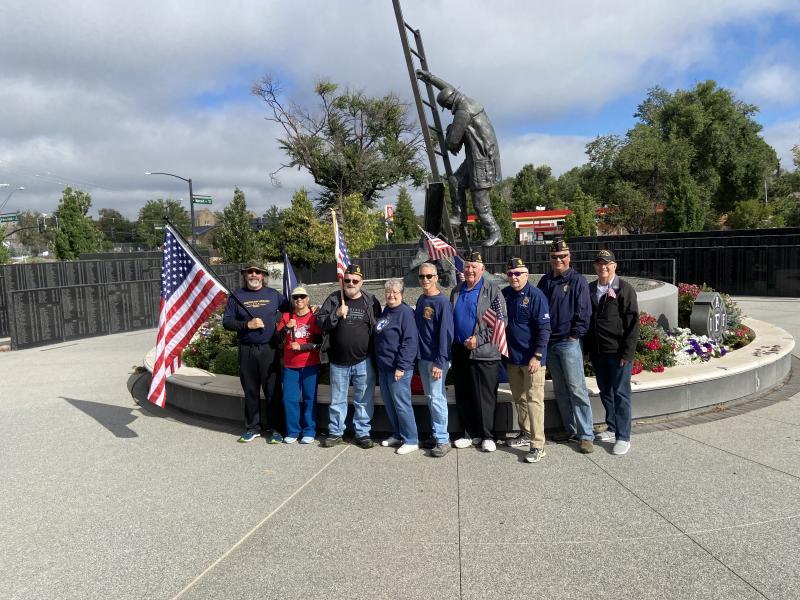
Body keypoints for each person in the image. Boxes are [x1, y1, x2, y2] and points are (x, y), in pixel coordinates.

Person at [416, 70, 503, 245]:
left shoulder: (462, 113)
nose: (449, 111)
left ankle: (495, 232)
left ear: (450, 104)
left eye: (448, 107)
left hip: (482, 163)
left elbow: (453, 142)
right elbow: (449, 89)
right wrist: (430, 78)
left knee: (480, 204)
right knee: (455, 181)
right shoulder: (468, 102)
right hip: (476, 158)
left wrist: (449, 130)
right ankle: (459, 215)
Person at [537, 240, 594, 454]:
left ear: (569, 257)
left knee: (577, 389)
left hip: (568, 342)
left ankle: (586, 435)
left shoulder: (578, 280)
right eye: (554, 257)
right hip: (550, 343)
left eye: (562, 256)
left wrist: (573, 336)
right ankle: (570, 429)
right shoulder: (545, 281)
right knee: (561, 390)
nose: (558, 260)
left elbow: (584, 312)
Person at [316, 264, 382, 449]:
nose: (351, 283)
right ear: (342, 281)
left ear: (361, 282)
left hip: (364, 360)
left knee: (364, 399)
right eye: (347, 280)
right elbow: (320, 322)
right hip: (338, 361)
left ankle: (362, 432)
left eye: (355, 280)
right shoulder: (334, 298)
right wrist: (336, 314)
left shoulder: (371, 300)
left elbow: (379, 325)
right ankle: (336, 432)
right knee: (337, 400)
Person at [222, 261, 287, 443]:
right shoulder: (236, 296)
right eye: (250, 272)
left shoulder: (273, 295)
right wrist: (246, 325)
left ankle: (276, 429)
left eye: (257, 272)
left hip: (269, 349)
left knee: (273, 391)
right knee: (250, 390)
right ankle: (253, 428)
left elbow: (290, 309)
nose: (253, 275)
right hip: (247, 350)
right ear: (245, 275)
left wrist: (309, 310)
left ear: (263, 276)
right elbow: (227, 322)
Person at [450, 252, 506, 452]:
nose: (470, 270)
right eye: (467, 266)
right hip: (460, 351)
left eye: (474, 267)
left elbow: (501, 321)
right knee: (464, 393)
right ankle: (470, 433)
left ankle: (488, 435)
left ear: (482, 269)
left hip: (484, 352)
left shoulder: (493, 291)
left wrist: (478, 339)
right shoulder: (456, 290)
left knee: (485, 396)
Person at [586, 249, 639, 456]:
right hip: (598, 352)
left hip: (618, 353)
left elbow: (633, 324)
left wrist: (627, 353)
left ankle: (623, 437)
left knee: (621, 394)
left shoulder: (624, 288)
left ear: (614, 266)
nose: (603, 267)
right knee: (606, 391)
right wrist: (588, 349)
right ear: (595, 266)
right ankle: (612, 426)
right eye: (599, 263)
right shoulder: (590, 288)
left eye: (607, 263)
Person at [501, 257, 551, 463]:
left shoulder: (536, 296)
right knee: (520, 399)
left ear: (526, 275)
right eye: (510, 273)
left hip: (532, 360)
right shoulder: (504, 295)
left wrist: (537, 356)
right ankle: (525, 432)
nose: (514, 277)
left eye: (518, 273)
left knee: (534, 401)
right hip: (513, 358)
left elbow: (544, 329)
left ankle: (538, 445)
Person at [373, 279, 420, 455]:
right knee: (390, 404)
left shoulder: (405, 313)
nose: (391, 295)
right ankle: (398, 434)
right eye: (388, 292)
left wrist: (401, 366)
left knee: (402, 404)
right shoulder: (387, 310)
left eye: (395, 292)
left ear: (401, 294)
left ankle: (411, 439)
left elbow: (410, 342)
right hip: (384, 368)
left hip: (398, 369)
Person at [415, 263, 454, 458]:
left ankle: (443, 439)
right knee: (431, 397)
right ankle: (436, 434)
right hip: (423, 358)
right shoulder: (422, 299)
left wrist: (440, 361)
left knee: (437, 398)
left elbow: (446, 334)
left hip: (436, 360)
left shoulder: (442, 302)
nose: (425, 280)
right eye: (422, 276)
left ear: (436, 278)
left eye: (429, 276)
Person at [277, 285, 322, 445]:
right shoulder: (286, 316)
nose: (299, 299)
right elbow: (277, 340)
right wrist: (286, 328)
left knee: (310, 399)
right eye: (296, 297)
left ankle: (309, 431)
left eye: (302, 296)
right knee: (289, 399)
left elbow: (319, 342)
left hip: (310, 364)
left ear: (307, 299)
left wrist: (302, 347)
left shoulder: (314, 316)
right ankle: (293, 431)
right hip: (290, 366)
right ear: (292, 300)